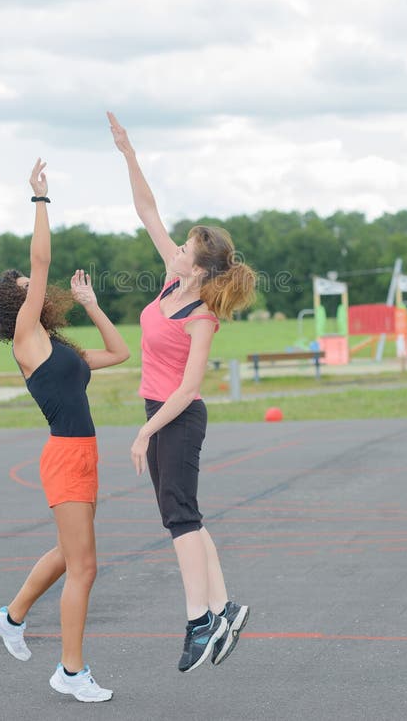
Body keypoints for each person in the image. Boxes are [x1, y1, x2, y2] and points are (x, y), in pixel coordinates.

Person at [107, 112, 256, 673]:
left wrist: (146, 431)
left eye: (185, 248)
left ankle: (201, 622)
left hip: (178, 418)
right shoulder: (172, 280)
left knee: (180, 519)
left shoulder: (201, 317)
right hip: (160, 414)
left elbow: (190, 387)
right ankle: (224, 607)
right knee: (188, 516)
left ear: (196, 269)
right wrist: (129, 154)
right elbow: (147, 210)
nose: (174, 249)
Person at [0, 158, 129, 703]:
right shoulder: (26, 340)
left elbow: (119, 352)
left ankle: (12, 615)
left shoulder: (60, 349)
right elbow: (40, 259)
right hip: (66, 457)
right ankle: (70, 672)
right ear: (17, 304)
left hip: (84, 454)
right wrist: (41, 201)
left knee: (72, 556)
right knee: (85, 568)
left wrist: (93, 305)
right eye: (27, 287)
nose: (36, 288)